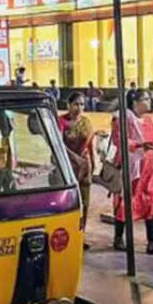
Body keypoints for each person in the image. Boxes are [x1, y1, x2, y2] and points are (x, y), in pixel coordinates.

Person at [108, 88, 153, 256]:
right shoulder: (121, 118)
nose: (149, 102)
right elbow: (118, 139)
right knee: (125, 202)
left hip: (149, 168)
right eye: (146, 99)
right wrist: (140, 146)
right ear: (135, 102)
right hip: (131, 168)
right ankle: (119, 238)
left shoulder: (148, 120)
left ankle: (152, 242)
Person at [58, 92, 95, 249]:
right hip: (68, 168)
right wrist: (76, 159)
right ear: (69, 104)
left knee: (84, 203)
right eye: (76, 104)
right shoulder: (61, 122)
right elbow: (59, 145)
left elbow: (90, 144)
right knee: (68, 203)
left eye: (82, 104)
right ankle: (67, 236)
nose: (79, 108)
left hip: (84, 167)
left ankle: (81, 235)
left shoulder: (86, 122)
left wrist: (92, 162)